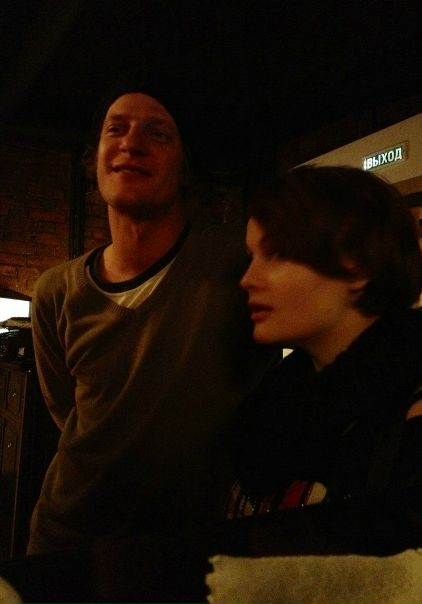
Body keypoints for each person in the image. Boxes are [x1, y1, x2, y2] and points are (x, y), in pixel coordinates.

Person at [27, 82, 274, 556]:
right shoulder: (55, 290)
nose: (131, 143)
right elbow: (67, 409)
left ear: (184, 168)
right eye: (115, 129)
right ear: (95, 158)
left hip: (197, 544)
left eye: (157, 133)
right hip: (68, 541)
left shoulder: (237, 264)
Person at [223, 165, 422, 561]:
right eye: (251, 256)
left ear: (357, 266)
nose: (247, 279)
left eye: (277, 253)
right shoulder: (278, 399)